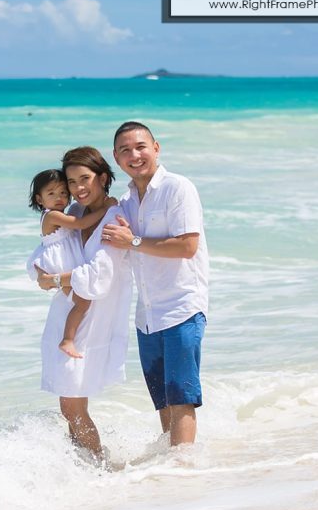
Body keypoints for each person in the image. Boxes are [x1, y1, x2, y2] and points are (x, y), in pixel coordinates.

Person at [101, 121, 209, 447]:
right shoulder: (127, 201)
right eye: (125, 151)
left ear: (156, 148)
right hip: (146, 316)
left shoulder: (178, 188)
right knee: (162, 401)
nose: (134, 155)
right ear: (116, 159)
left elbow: (187, 246)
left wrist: (132, 240)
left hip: (182, 306)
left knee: (181, 396)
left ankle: (183, 472)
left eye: (140, 147)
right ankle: (168, 474)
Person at [27, 147, 133, 462]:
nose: (77, 188)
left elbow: (99, 276)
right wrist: (40, 274)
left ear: (102, 177)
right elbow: (44, 249)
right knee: (70, 406)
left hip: (90, 318)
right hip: (68, 311)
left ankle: (99, 464)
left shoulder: (114, 217)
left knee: (72, 406)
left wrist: (57, 280)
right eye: (71, 181)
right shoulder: (74, 211)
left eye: (84, 179)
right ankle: (86, 470)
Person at [28, 168, 116, 359]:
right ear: (39, 199)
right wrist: (105, 209)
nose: (59, 197)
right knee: (82, 302)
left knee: (81, 302)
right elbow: (81, 224)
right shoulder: (51, 215)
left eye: (63, 193)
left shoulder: (60, 213)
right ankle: (67, 340)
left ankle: (68, 339)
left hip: (62, 261)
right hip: (58, 264)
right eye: (51, 193)